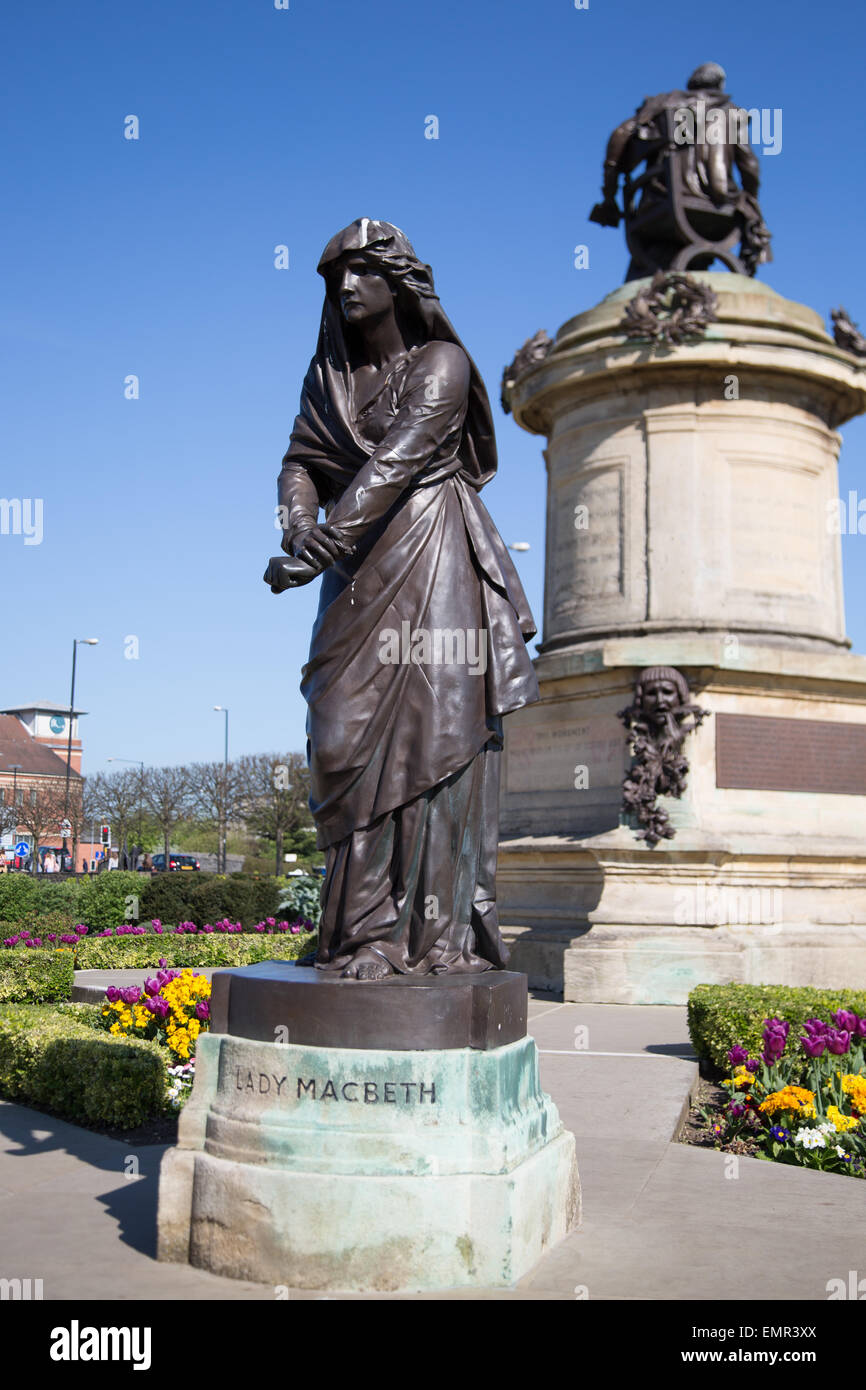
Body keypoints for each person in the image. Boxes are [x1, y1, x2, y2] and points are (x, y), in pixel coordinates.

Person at [269, 219, 539, 979]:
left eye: (359, 272)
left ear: (397, 282)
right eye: (335, 277)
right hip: (352, 575)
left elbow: (401, 458)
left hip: (434, 558)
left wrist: (327, 535)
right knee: (340, 735)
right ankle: (357, 928)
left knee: (434, 738)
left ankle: (420, 937)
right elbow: (301, 461)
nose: (346, 287)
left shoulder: (442, 362)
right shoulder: (329, 379)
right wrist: (299, 526)